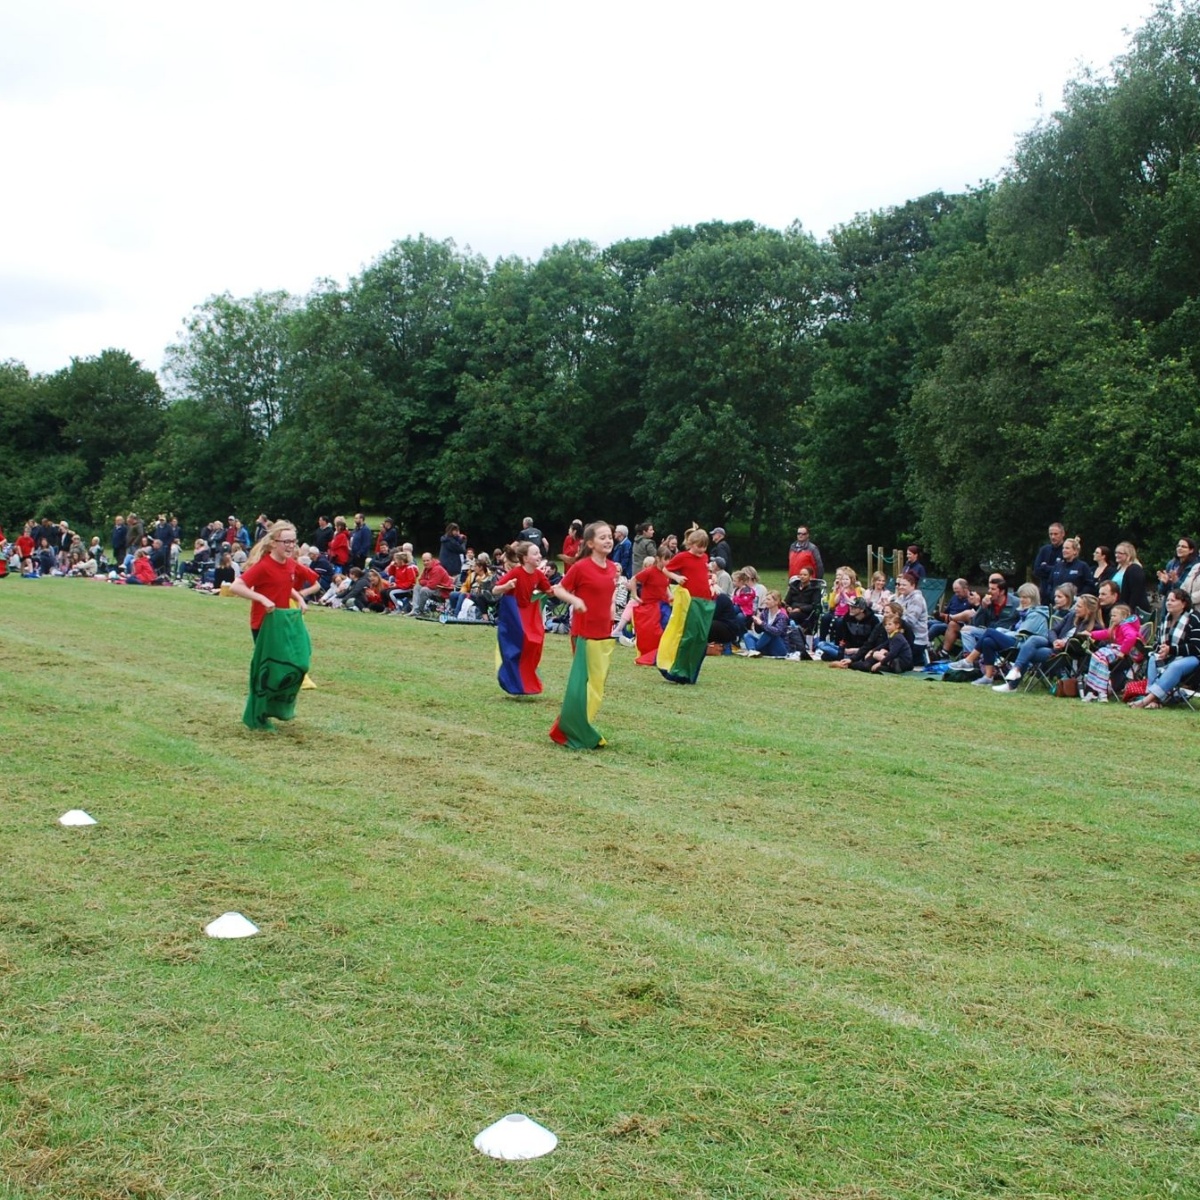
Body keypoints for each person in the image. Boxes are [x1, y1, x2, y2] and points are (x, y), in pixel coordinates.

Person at [230, 521, 319, 728]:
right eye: (286, 542)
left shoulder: (290, 564)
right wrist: (262, 599)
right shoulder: (263, 566)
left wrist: (299, 598)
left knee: (298, 664)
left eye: (293, 541)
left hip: (283, 621)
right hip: (264, 624)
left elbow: (284, 584)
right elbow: (236, 586)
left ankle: (276, 708)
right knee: (269, 673)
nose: (290, 545)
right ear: (273, 543)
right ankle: (257, 717)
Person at [549, 522, 617, 749]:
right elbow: (558, 589)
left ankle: (575, 726)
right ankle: (567, 730)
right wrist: (575, 600)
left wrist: (611, 608)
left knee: (596, 685)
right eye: (602, 537)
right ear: (590, 543)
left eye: (610, 537)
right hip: (584, 634)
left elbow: (607, 593)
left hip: (603, 633)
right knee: (582, 684)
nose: (608, 540)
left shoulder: (612, 568)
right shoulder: (581, 567)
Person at [493, 542, 579, 694]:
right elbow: (495, 590)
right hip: (513, 614)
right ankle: (513, 679)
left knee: (535, 641)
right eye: (535, 553)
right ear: (525, 558)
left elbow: (549, 591)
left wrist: (564, 589)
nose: (539, 556)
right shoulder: (516, 573)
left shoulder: (538, 575)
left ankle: (526, 677)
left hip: (527, 613)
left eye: (539, 553)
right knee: (519, 645)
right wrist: (507, 586)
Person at [954, 583, 1049, 686]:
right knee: (988, 641)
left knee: (990, 632)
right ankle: (987, 677)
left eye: (1025, 597)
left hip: (1022, 647)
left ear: (1033, 598)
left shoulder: (1036, 614)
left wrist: (1003, 633)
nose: (1022, 600)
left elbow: (1022, 635)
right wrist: (1002, 631)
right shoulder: (1026, 612)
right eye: (1021, 597)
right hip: (1017, 642)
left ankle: (968, 661)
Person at [992, 584, 1079, 692]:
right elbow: (1051, 631)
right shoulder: (1056, 612)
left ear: (1069, 598)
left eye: (1059, 597)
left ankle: (1012, 681)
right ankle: (1015, 672)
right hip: (1049, 641)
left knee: (1026, 650)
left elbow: (1073, 637)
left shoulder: (1074, 617)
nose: (1056, 599)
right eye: (1055, 596)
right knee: (1032, 640)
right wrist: (1054, 640)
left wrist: (1062, 642)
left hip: (1061, 649)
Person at [658, 528, 717, 685]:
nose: (702, 550)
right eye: (699, 546)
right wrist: (677, 577)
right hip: (690, 601)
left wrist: (711, 578)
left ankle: (691, 673)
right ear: (690, 544)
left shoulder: (704, 557)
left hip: (706, 601)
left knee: (701, 637)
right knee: (689, 635)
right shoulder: (683, 557)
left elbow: (703, 573)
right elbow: (665, 569)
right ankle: (677, 670)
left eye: (704, 547)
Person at [1132, 588, 1200, 708]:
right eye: (1168, 600)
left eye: (1173, 600)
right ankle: (1154, 700)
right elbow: (1158, 642)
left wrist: (1171, 650)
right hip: (1170, 655)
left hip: (1193, 658)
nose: (1168, 603)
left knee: (1175, 666)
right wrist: (1161, 650)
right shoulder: (1165, 619)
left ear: (1183, 603)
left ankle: (1146, 700)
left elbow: (1196, 647)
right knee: (1153, 658)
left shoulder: (1194, 618)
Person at [1081, 604, 1141, 701]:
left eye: (1114, 616)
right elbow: (1106, 633)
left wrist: (1123, 651)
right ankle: (1093, 690)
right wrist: (1091, 634)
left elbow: (1131, 637)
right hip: (1115, 650)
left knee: (1100, 657)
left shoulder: (1126, 626)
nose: (1112, 618)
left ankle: (1101, 691)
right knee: (1096, 657)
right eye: (1111, 616)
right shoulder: (1118, 626)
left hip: (1125, 655)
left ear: (1124, 616)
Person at [632, 549, 673, 666]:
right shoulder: (649, 571)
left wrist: (670, 595)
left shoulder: (665, 572)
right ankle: (653, 655)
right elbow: (634, 579)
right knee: (653, 633)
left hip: (663, 605)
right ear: (658, 559)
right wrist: (635, 595)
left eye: (669, 559)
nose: (668, 562)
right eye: (666, 559)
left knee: (667, 629)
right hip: (651, 606)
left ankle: (661, 654)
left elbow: (665, 586)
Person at [741, 590, 790, 658]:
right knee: (747, 635)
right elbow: (759, 631)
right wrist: (756, 623)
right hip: (766, 645)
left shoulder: (782, 616)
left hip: (779, 647)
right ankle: (753, 651)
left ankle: (754, 649)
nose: (766, 601)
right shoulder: (765, 612)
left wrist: (761, 623)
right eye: (766, 599)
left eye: (768, 599)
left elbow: (777, 632)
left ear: (776, 602)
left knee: (769, 633)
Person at [1157, 537, 1200, 606]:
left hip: (1185, 606)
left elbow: (1188, 592)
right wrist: (1164, 583)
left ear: (1191, 550)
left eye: (1183, 547)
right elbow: (1161, 591)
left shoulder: (1195, 567)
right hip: (1169, 605)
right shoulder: (1171, 564)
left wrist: (1176, 582)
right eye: (1178, 546)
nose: (1180, 548)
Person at [1033, 522, 1066, 604]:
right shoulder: (1044, 550)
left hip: (1061, 595)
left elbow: (1064, 571)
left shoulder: (1066, 551)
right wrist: (1055, 569)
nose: (1053, 537)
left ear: (1063, 534)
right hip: (1044, 594)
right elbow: (1036, 571)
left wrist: (1045, 567)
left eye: (1056, 534)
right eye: (1051, 534)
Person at [1113, 541, 1148, 613]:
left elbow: (1136, 593)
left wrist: (1129, 611)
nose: (1116, 555)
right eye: (1116, 552)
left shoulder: (1134, 569)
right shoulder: (1118, 569)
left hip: (1131, 609)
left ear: (1128, 554)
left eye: (1120, 553)